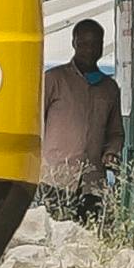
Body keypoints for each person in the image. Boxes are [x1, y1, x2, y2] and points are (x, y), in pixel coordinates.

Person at [37, 16, 125, 221]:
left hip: (92, 184)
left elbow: (115, 133)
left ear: (103, 46)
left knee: (86, 242)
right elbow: (35, 122)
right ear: (74, 43)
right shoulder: (54, 80)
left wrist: (111, 152)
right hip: (56, 180)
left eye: (95, 44)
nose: (90, 50)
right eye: (84, 44)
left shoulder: (109, 88)